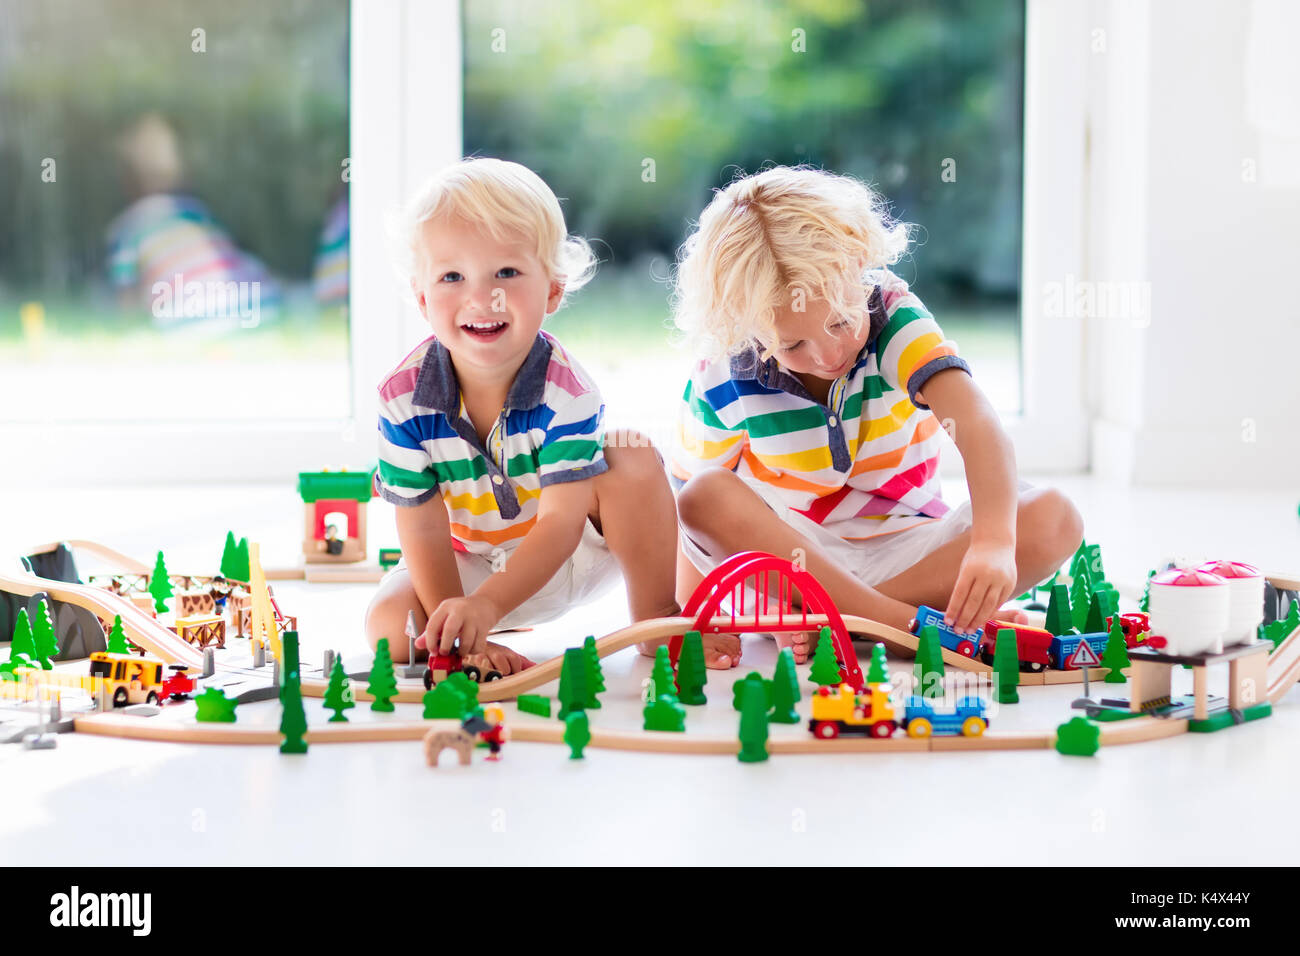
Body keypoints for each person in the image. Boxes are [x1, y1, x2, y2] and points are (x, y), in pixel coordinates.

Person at [670, 166, 1083, 663]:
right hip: (797, 569)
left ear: (859, 263)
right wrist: (698, 616)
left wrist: (994, 544)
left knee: (1055, 518)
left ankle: (852, 623)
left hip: (913, 549)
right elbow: (693, 523)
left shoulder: (894, 316)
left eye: (841, 321)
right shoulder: (724, 365)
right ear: (743, 324)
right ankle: (900, 625)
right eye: (793, 343)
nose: (826, 354)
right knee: (702, 496)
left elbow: (976, 423)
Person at [365, 158, 739, 678]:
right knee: (388, 628)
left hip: (565, 556)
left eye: (507, 272)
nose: (481, 296)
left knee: (628, 451)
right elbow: (422, 525)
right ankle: (485, 638)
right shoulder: (402, 398)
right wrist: (460, 631)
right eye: (452, 275)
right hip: (467, 563)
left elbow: (562, 521)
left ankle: (658, 618)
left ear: (554, 291)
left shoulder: (567, 391)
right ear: (423, 297)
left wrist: (491, 606)